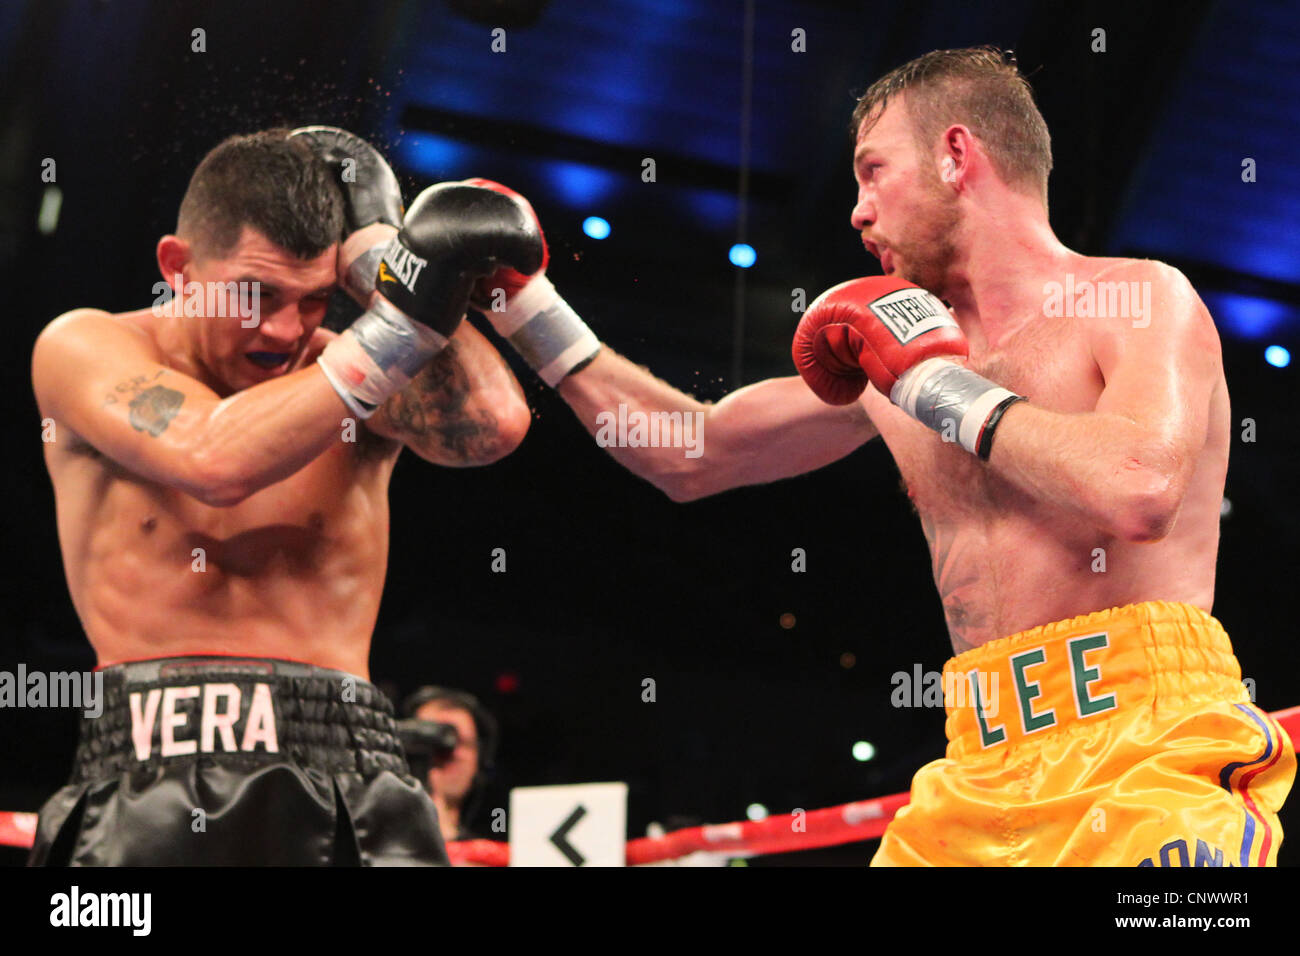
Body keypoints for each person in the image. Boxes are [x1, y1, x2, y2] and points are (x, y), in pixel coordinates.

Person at [465, 48, 1295, 866]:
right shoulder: (892, 363)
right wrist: (524, 304)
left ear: (956, 154)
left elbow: (1138, 488)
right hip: (978, 764)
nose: (857, 211)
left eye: (873, 170)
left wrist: (943, 392)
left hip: (1147, 746)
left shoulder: (1138, 297)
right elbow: (692, 453)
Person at [28, 127, 542, 865]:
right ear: (178, 267)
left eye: (314, 300)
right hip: (145, 769)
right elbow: (214, 455)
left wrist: (380, 264)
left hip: (350, 770)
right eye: (256, 294)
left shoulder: (351, 367)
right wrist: (402, 327)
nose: (284, 329)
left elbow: (492, 426)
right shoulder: (88, 348)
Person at [401, 686, 499, 844]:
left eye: (463, 742)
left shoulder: (490, 854)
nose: (451, 754)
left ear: (479, 761)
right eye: (436, 740)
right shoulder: (369, 840)